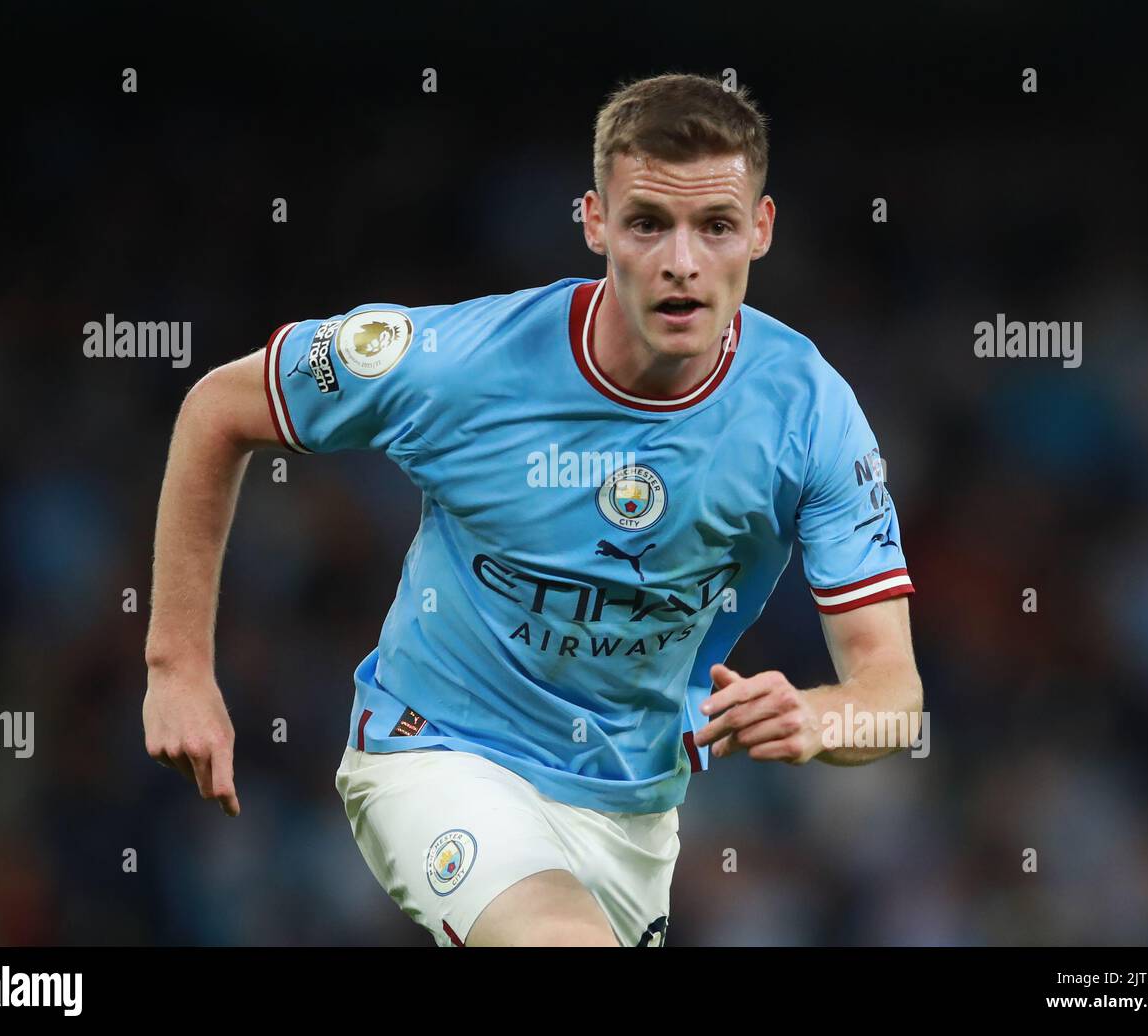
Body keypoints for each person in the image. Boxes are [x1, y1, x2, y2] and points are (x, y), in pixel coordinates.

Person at [142, 72, 923, 947]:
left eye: (715, 227)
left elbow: (893, 694)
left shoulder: (808, 410)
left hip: (632, 815)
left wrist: (818, 719)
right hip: (437, 750)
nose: (681, 261)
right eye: (646, 223)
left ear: (761, 229)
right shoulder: (459, 365)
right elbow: (219, 408)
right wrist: (178, 666)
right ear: (595, 222)